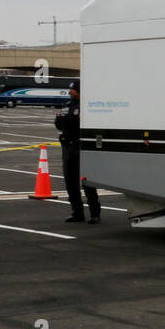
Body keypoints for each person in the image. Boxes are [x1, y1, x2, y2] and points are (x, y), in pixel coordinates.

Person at [54, 80, 99, 224]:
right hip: (68, 147)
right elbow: (59, 124)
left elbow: (81, 123)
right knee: (70, 182)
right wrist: (60, 120)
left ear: (78, 90)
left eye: (72, 89)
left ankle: (95, 213)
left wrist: (69, 121)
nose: (69, 91)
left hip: (81, 146)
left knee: (87, 182)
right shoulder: (67, 105)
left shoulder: (87, 106)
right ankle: (77, 212)